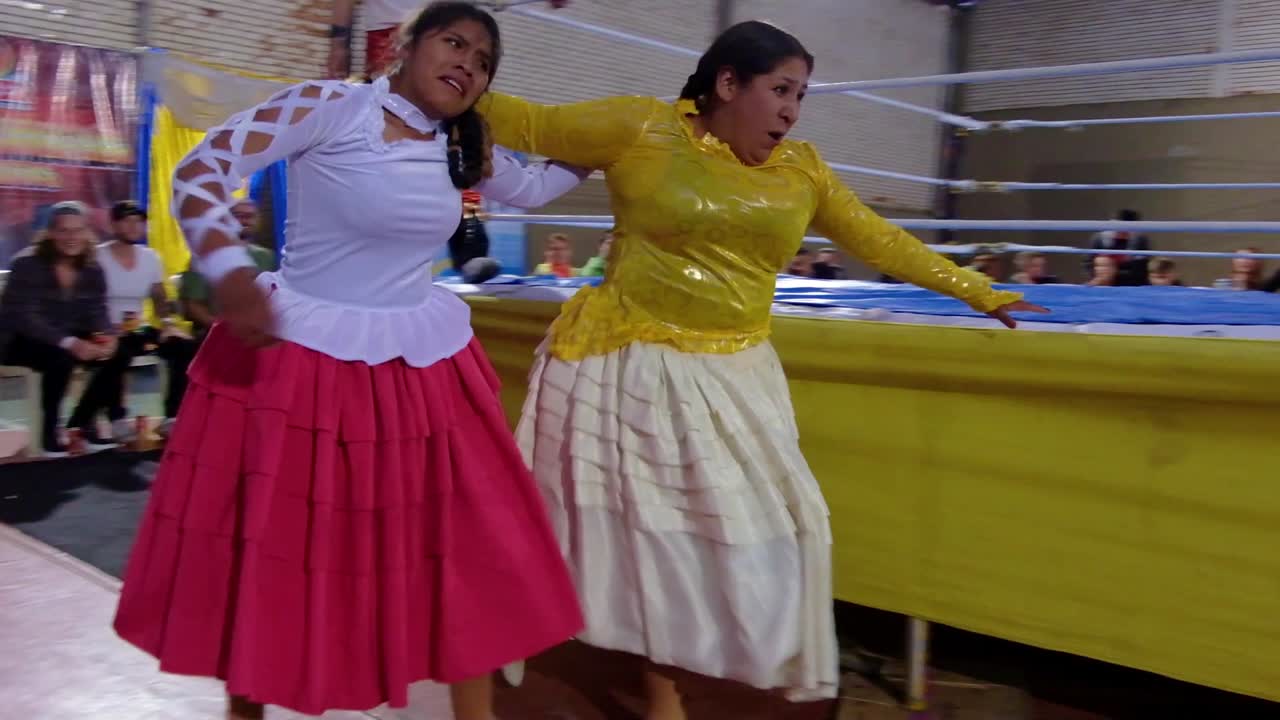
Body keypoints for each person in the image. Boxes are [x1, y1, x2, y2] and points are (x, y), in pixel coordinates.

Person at [477, 20, 1047, 718]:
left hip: (736, 372)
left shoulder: (801, 169)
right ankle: (662, 694)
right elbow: (527, 121)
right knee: (648, 539)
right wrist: (417, 78)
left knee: (777, 530)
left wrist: (980, 289)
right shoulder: (640, 128)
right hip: (627, 360)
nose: (791, 110)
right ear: (727, 84)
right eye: (780, 90)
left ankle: (701, 673)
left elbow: (880, 238)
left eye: (800, 96)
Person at [113, 4, 587, 719]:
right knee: (272, 543)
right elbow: (203, 167)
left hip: (418, 369)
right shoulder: (330, 106)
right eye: (453, 43)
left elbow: (536, 186)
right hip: (299, 359)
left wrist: (633, 137)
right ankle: (246, 709)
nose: (467, 63)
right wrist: (229, 270)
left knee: (462, 541)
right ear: (405, 46)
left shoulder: (462, 146)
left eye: (484, 60)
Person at [0, 201, 118, 455]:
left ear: (87, 233)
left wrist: (107, 336)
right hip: (19, 340)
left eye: (78, 230)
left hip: (68, 336)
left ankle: (82, 423)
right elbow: (25, 317)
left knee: (119, 352)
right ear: (51, 233)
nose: (71, 237)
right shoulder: (27, 264)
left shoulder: (92, 269)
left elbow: (98, 309)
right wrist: (70, 342)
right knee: (61, 358)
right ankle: (49, 432)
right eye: (64, 230)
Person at [88, 200, 174, 442]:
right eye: (127, 220)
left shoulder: (150, 257)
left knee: (181, 346)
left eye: (139, 221)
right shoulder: (98, 256)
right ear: (114, 225)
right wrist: (106, 328)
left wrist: (167, 322)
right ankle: (116, 418)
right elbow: (89, 301)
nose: (135, 226)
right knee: (118, 352)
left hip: (137, 327)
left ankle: (172, 417)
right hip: (103, 329)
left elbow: (159, 295)